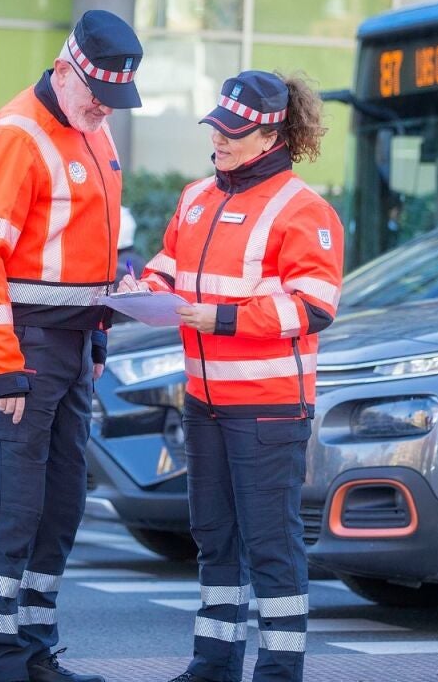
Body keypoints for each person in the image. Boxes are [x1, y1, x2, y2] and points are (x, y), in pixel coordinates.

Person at [122, 70, 344, 682]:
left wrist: (220, 318)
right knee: (214, 537)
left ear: (270, 134)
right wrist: (146, 290)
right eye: (216, 127)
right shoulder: (196, 197)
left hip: (269, 407)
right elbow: (170, 264)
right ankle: (213, 664)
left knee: (271, 545)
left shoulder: (304, 209)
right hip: (205, 400)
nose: (218, 140)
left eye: (232, 132)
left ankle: (279, 669)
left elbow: (314, 307)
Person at [0, 9, 143, 682]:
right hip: (25, 351)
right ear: (66, 70)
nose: (103, 110)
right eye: (96, 96)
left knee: (61, 507)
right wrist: (3, 368)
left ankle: (34, 651)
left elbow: (85, 246)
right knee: (14, 510)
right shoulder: (14, 137)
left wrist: (100, 321)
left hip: (71, 345)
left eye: (113, 101)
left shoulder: (91, 126)